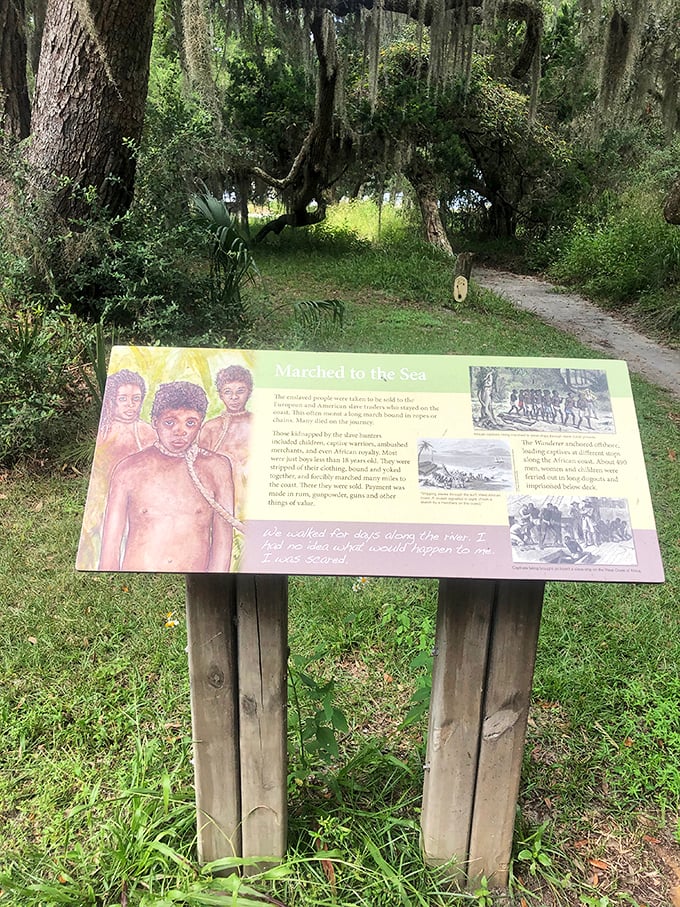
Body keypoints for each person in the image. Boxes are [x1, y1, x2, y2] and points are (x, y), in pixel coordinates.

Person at [99, 381, 239, 572]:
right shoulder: (128, 469)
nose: (180, 431)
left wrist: (216, 582)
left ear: (200, 424)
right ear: (155, 422)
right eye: (170, 422)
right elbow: (110, 543)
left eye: (190, 423)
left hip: (199, 579)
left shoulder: (217, 467)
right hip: (139, 581)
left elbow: (223, 540)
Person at [199, 365, 253, 512]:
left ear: (249, 392)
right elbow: (200, 467)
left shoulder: (258, 422)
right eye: (228, 392)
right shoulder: (211, 427)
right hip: (219, 500)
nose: (234, 397)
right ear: (221, 395)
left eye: (240, 391)